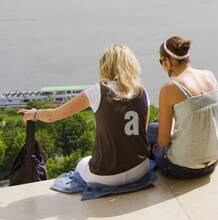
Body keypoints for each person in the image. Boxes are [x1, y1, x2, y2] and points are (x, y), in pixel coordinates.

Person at [19, 44, 150, 187]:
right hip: (140, 169)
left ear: (105, 65)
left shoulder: (99, 91)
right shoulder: (142, 92)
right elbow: (142, 133)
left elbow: (53, 116)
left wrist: (34, 114)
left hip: (108, 176)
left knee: (82, 163)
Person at [148, 35, 218, 180]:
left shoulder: (170, 87)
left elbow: (163, 141)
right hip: (214, 161)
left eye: (161, 62)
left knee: (151, 130)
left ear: (168, 61)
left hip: (182, 169)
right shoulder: (210, 76)